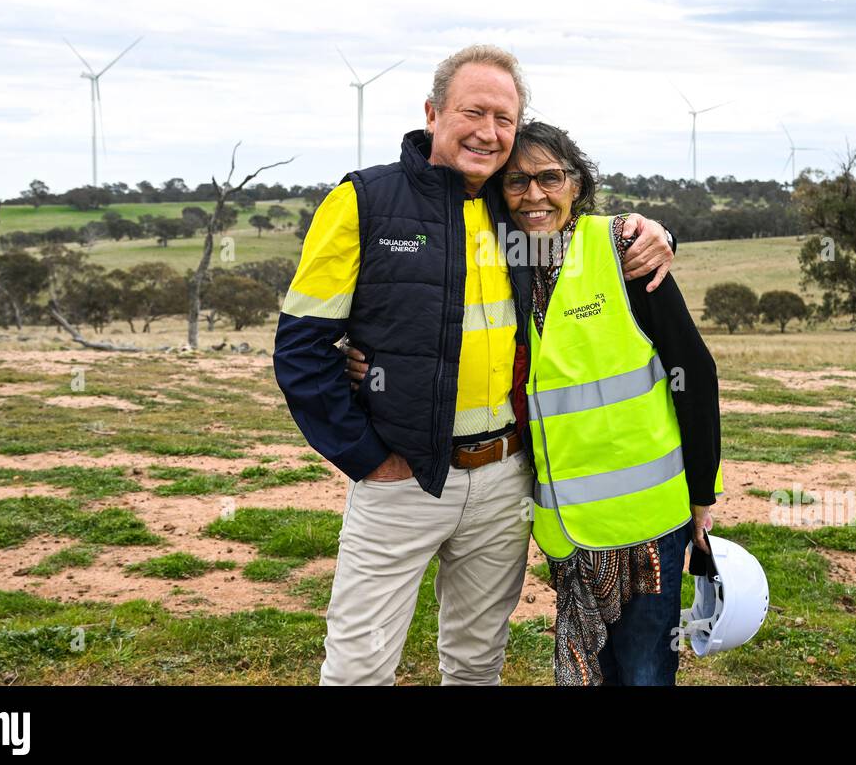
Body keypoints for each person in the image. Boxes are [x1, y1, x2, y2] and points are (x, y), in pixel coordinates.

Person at [273, 44, 675, 685]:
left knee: (476, 663)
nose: (490, 133)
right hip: (398, 480)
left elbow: (587, 228)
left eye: (505, 119)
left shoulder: (514, 206)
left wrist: (655, 231)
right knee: (359, 666)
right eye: (473, 112)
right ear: (433, 114)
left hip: (505, 480)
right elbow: (301, 349)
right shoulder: (363, 203)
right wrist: (368, 458)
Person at [500, 120, 721, 686]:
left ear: (577, 183)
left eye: (549, 177)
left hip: (648, 523)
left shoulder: (621, 250)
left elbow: (693, 372)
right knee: (588, 667)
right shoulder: (507, 266)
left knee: (644, 671)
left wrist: (702, 493)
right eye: (516, 180)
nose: (533, 194)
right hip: (567, 531)